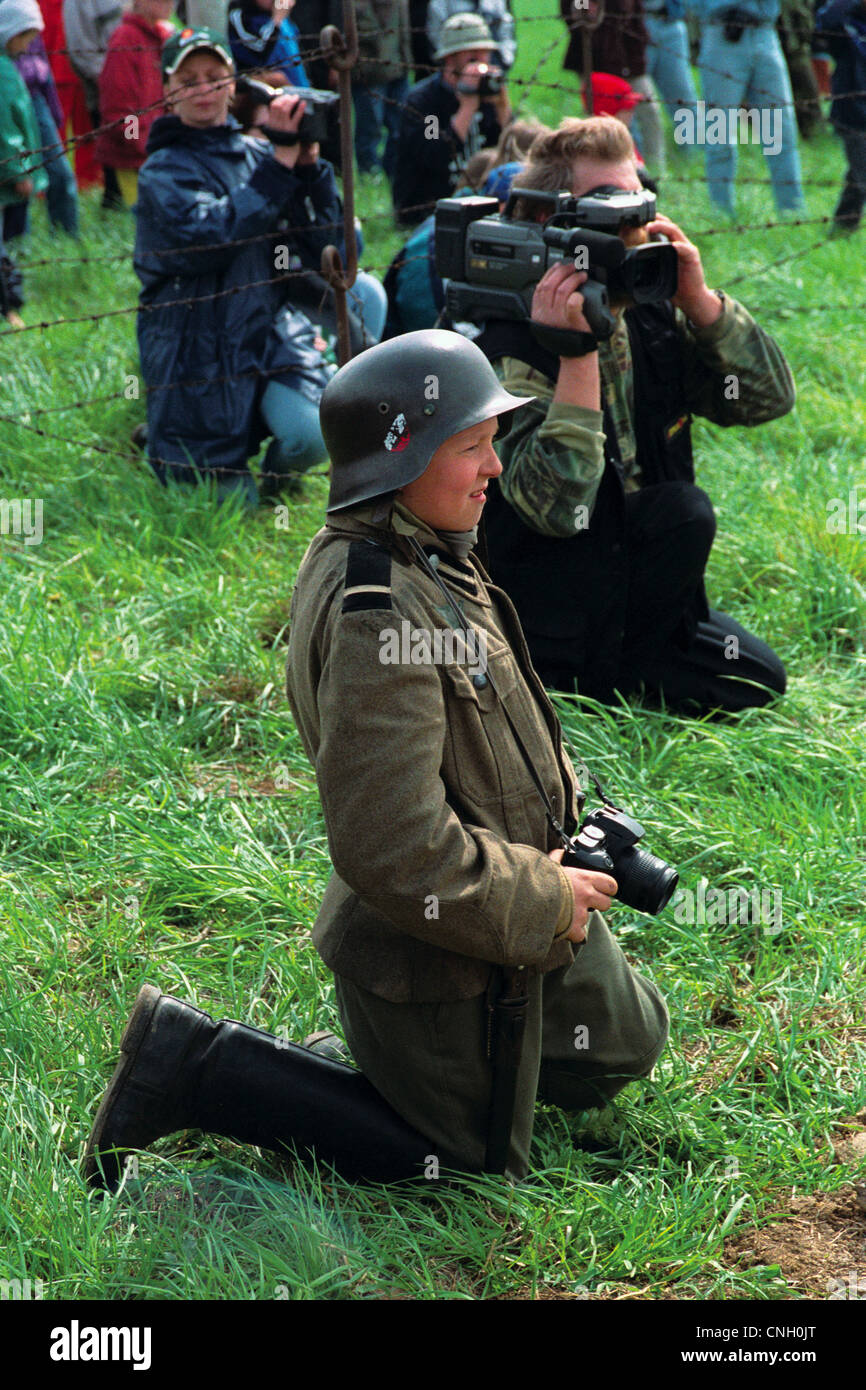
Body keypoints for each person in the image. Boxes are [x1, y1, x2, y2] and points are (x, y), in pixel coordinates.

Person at [83, 329, 670, 1192]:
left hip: (505, 893)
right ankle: (196, 1065)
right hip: (430, 944)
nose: (495, 470)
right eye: (471, 447)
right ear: (404, 458)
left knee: (625, 1044)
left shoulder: (433, 554)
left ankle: (407, 1070)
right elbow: (390, 845)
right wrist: (540, 899)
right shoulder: (379, 613)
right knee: (465, 1165)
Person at [474, 116, 795, 715]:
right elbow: (557, 511)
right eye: (612, 213)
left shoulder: (647, 314)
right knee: (684, 512)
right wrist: (576, 354)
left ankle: (633, 665)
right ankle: (586, 686)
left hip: (635, 588)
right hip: (551, 613)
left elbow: (764, 399)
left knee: (757, 680)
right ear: (554, 221)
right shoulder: (511, 347)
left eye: (639, 209)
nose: (636, 232)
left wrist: (701, 304)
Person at [134, 25, 336, 505]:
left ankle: (277, 479)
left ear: (234, 85)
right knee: (228, 504)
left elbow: (333, 253)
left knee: (314, 436)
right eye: (189, 78)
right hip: (193, 346)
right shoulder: (161, 170)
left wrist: (309, 170)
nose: (203, 88)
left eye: (214, 75)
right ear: (167, 90)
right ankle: (165, 443)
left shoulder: (261, 155)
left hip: (266, 333)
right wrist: (280, 168)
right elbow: (210, 239)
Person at [391, 10, 511, 226]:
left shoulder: (488, 95)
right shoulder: (424, 102)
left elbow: (510, 153)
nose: (480, 62)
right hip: (429, 207)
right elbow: (432, 158)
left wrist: (503, 109)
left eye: (485, 54)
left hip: (482, 199)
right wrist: (466, 108)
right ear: (449, 58)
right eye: (472, 55)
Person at [691, 0, 805, 215]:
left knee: (781, 129)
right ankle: (721, 212)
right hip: (722, 32)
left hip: (765, 30)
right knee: (719, 129)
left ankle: (792, 211)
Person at [561, 0, 667, 179]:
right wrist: (584, 7)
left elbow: (632, 11)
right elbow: (574, 10)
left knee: (649, 110)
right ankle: (610, 170)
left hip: (629, 55)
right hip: (597, 59)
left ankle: (655, 170)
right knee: (606, 120)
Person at [95, 0, 175, 208]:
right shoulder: (125, 38)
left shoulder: (162, 37)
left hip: (158, 154)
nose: (170, 3)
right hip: (131, 160)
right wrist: (139, 145)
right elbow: (120, 109)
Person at [62, 0, 125, 207]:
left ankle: (127, 196)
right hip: (106, 94)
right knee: (115, 143)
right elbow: (81, 48)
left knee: (133, 139)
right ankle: (115, 199)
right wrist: (110, 78)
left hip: (134, 98)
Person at [0, 0, 48, 247]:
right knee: (12, 243)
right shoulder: (3, 71)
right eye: (26, 40)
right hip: (133, 124)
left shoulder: (7, 66)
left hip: (136, 123)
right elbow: (6, 127)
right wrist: (20, 170)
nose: (28, 47)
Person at [815, 0, 866, 233]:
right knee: (862, 172)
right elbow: (824, 21)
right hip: (852, 113)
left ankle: (843, 225)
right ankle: (844, 226)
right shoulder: (845, 23)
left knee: (858, 177)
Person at [350, 0, 410, 177]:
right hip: (368, 76)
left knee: (399, 125)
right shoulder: (354, 6)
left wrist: (407, 64)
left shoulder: (399, 4)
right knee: (370, 126)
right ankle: (369, 171)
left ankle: (393, 168)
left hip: (398, 72)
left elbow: (404, 36)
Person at [227, 0, 309, 86]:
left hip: (296, 86)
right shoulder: (238, 15)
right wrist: (276, 21)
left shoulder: (283, 19)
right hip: (254, 82)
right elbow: (259, 53)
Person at [426, 0, 517, 71]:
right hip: (457, 64)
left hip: (492, 61)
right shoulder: (442, 3)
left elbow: (506, 31)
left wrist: (504, 60)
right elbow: (436, 36)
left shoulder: (495, 2)